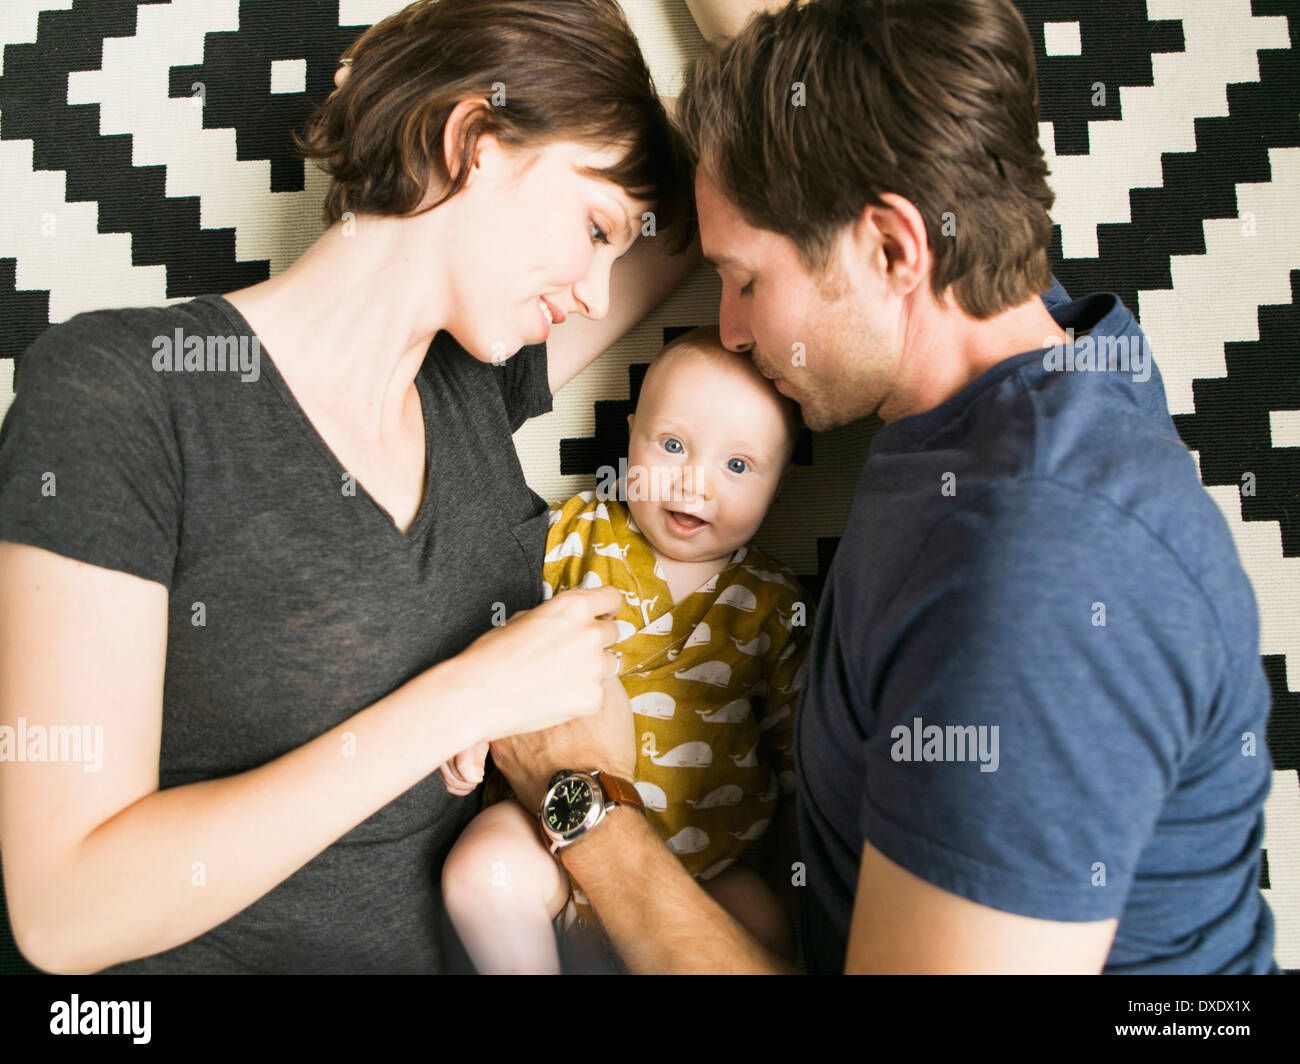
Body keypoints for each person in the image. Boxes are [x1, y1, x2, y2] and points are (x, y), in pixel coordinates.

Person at [488, 0, 1280, 974]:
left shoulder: (1040, 577)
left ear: (896, 250)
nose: (727, 328)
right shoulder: (1039, 349)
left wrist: (583, 798)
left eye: (743, 278)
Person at [0, 0, 703, 974]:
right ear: (472, 139)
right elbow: (63, 909)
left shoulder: (477, 381)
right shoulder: (120, 391)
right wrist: (458, 700)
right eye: (593, 225)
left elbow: (734, 159)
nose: (595, 288)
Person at [439, 326, 809, 973]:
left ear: (780, 486)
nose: (694, 484)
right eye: (671, 446)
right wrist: (471, 720)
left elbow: (797, 754)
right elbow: (503, 638)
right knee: (480, 875)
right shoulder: (575, 532)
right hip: (541, 829)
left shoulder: (775, 603)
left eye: (738, 466)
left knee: (765, 920)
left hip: (700, 869)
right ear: (631, 436)